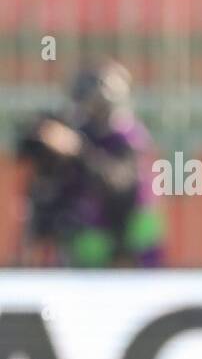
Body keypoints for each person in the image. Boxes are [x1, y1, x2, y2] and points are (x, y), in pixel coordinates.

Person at [15, 61, 161, 267]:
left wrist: (77, 149)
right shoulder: (80, 131)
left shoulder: (125, 136)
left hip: (125, 243)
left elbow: (117, 182)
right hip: (85, 240)